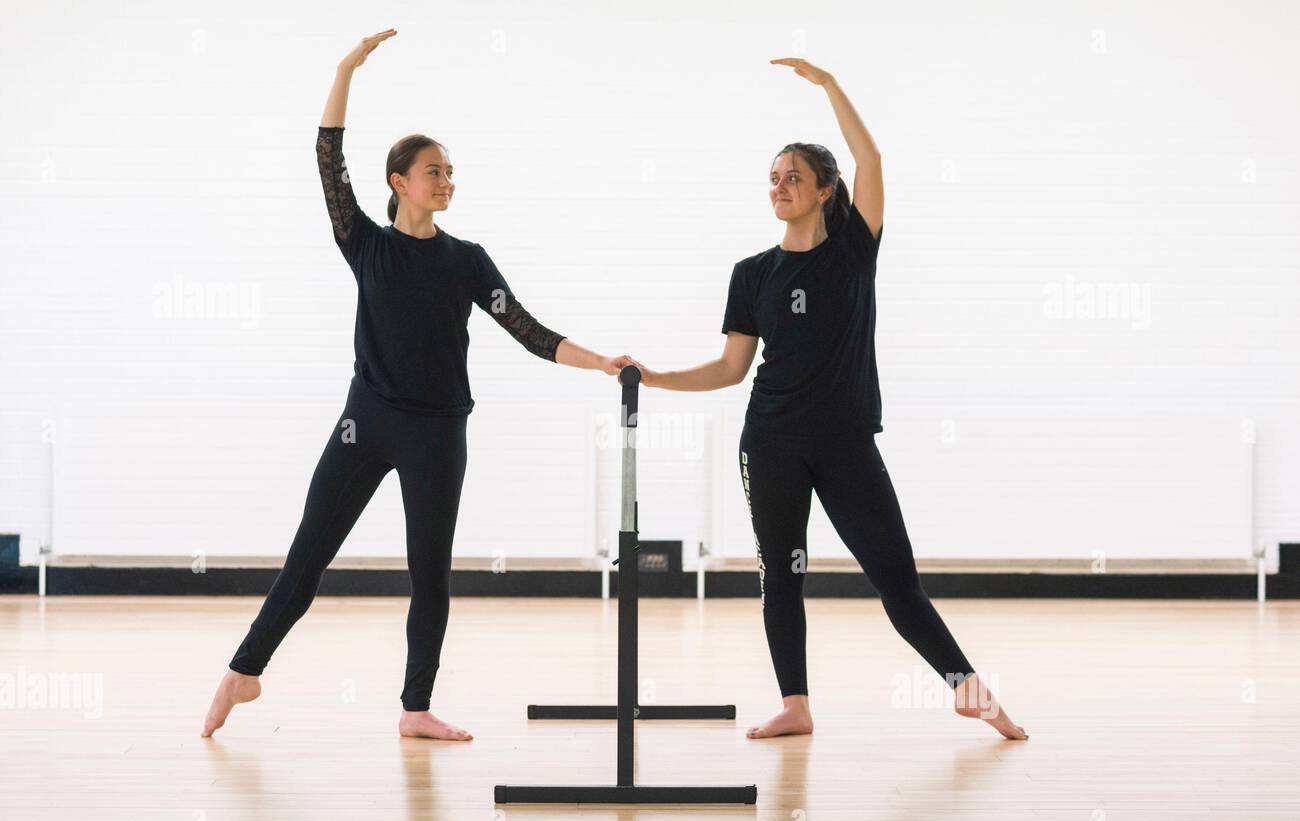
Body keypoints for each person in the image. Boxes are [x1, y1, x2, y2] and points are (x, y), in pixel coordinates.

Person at [203, 29, 630, 740]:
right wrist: (345, 69)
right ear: (400, 181)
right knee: (309, 554)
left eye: (452, 171)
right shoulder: (364, 241)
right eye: (435, 170)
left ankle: (414, 707)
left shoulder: (467, 260)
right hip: (364, 420)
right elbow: (327, 159)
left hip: (438, 430)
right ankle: (245, 670)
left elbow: (524, 328)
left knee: (429, 574)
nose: (447, 180)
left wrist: (601, 362)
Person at [623, 58, 1027, 741]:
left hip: (845, 443)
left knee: (896, 576)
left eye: (793, 178)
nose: (780, 187)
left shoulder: (853, 253)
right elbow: (730, 366)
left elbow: (871, 156)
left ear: (823, 189)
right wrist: (656, 376)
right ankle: (796, 703)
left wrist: (830, 86)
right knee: (781, 576)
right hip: (771, 441)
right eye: (773, 178)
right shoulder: (751, 273)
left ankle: (967, 689)